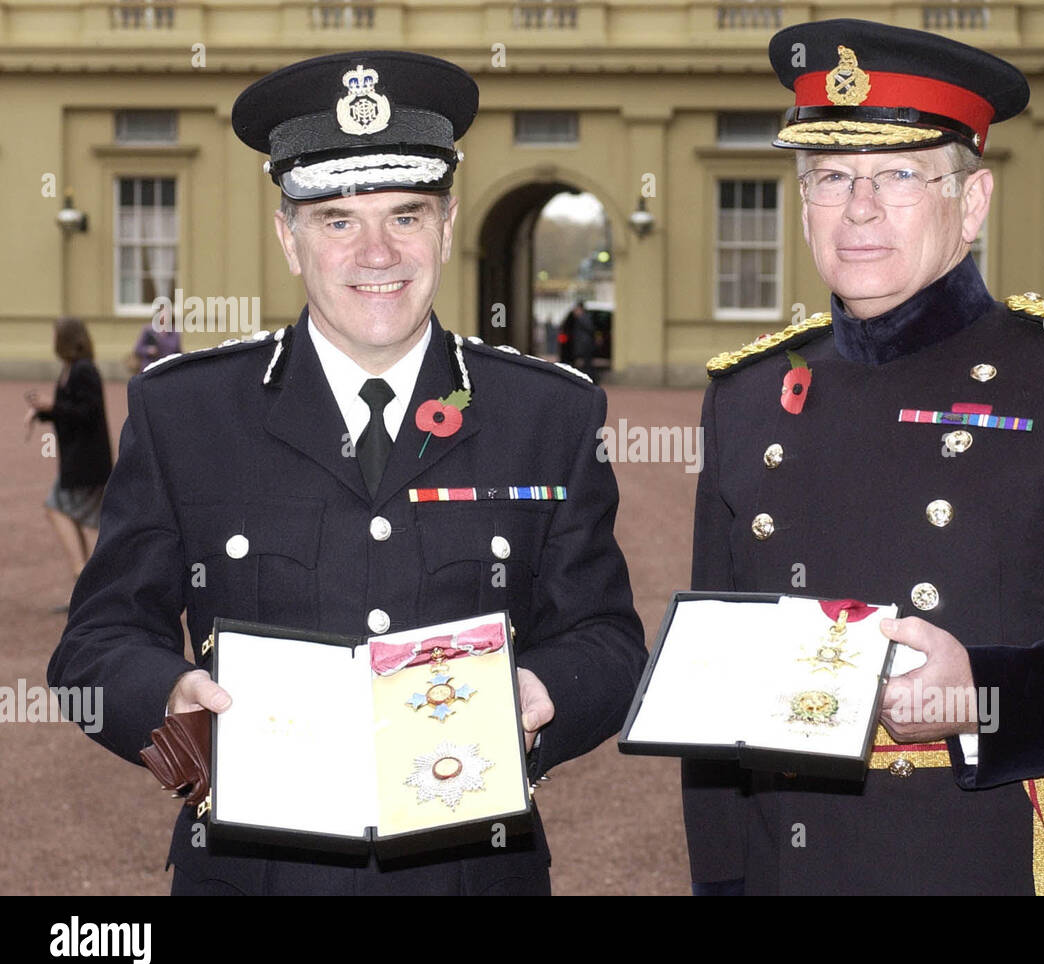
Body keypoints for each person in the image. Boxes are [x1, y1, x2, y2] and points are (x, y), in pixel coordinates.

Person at [682, 19, 1044, 895]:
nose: (859, 208)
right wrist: (727, 882)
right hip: (804, 860)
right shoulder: (749, 394)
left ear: (974, 200)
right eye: (830, 177)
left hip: (1006, 854)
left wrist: (986, 695)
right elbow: (719, 695)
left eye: (900, 175)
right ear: (803, 201)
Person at [48, 50, 646, 895]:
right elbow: (91, 650)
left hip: (470, 874)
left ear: (445, 226)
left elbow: (611, 642)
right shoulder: (187, 414)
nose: (376, 253)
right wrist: (169, 696)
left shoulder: (547, 415)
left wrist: (545, 692)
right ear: (288, 236)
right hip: (253, 876)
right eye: (336, 219)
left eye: (405, 216)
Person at [25, 317, 113, 591]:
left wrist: (52, 405)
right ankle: (87, 580)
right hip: (78, 462)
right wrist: (42, 411)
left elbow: (88, 412)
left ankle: (82, 575)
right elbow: (69, 410)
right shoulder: (71, 368)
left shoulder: (83, 370)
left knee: (57, 508)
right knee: (80, 516)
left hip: (86, 463)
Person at [126, 303, 182, 374]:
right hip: (150, 369)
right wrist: (148, 350)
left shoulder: (175, 334)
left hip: (167, 370)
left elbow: (178, 352)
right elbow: (137, 349)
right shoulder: (149, 330)